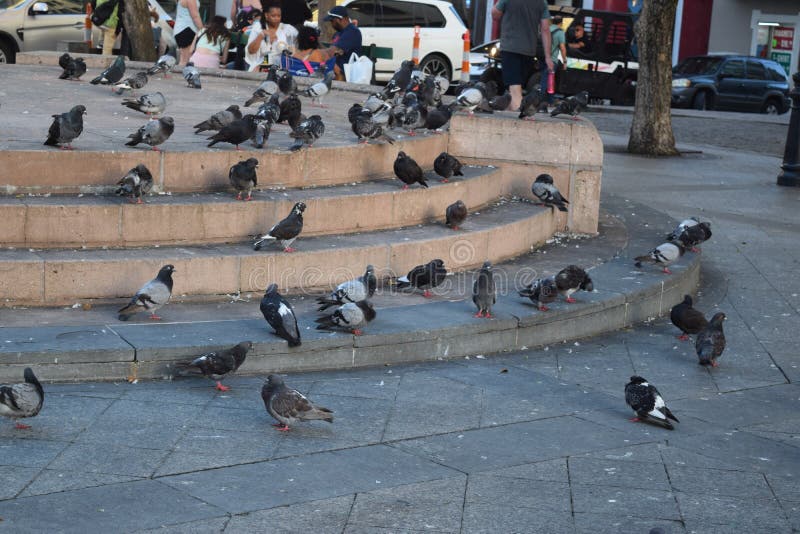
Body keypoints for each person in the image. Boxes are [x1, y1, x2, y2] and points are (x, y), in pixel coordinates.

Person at [491, 0, 553, 112]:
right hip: (529, 51)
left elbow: (495, 15)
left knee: (514, 87)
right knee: (516, 87)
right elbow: (545, 29)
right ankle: (510, 114)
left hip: (510, 48)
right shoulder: (542, 2)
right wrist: (548, 56)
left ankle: (518, 120)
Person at [245, 2, 298, 72]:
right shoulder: (258, 28)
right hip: (259, 68)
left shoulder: (288, 29)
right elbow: (251, 51)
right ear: (266, 15)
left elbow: (299, 48)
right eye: (273, 16)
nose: (276, 19)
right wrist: (261, 36)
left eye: (279, 16)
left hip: (281, 70)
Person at [319, 6, 362, 81]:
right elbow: (331, 51)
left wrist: (315, 52)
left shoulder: (352, 32)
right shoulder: (338, 33)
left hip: (344, 72)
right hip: (334, 69)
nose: (331, 24)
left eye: (332, 21)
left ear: (340, 19)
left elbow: (332, 52)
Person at [541, 14, 567, 103]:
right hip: (552, 60)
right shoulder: (560, 32)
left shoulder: (546, 29)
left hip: (542, 57)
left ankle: (549, 99)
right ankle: (544, 100)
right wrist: (565, 61)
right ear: (561, 23)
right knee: (549, 81)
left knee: (544, 78)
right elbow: (562, 48)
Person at [174, 0, 204, 66]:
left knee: (184, 59)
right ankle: (181, 76)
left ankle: (180, 75)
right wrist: (203, 30)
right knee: (186, 60)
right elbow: (195, 16)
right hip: (187, 29)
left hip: (183, 30)